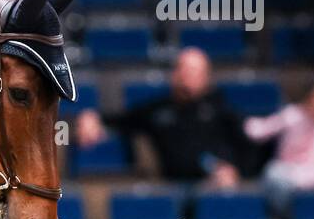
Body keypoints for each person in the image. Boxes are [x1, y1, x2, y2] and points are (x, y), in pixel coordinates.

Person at [74, 47, 251, 188]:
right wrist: (92, 117)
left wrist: (234, 170)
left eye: (195, 71)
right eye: (184, 69)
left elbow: (248, 147)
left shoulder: (222, 110)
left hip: (212, 188)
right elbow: (123, 120)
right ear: (174, 74)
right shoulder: (158, 109)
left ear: (206, 77)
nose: (188, 76)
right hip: (170, 189)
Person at [243, 82, 314, 218]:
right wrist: (242, 122)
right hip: (292, 172)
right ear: (308, 100)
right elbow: (260, 130)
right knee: (273, 175)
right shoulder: (292, 114)